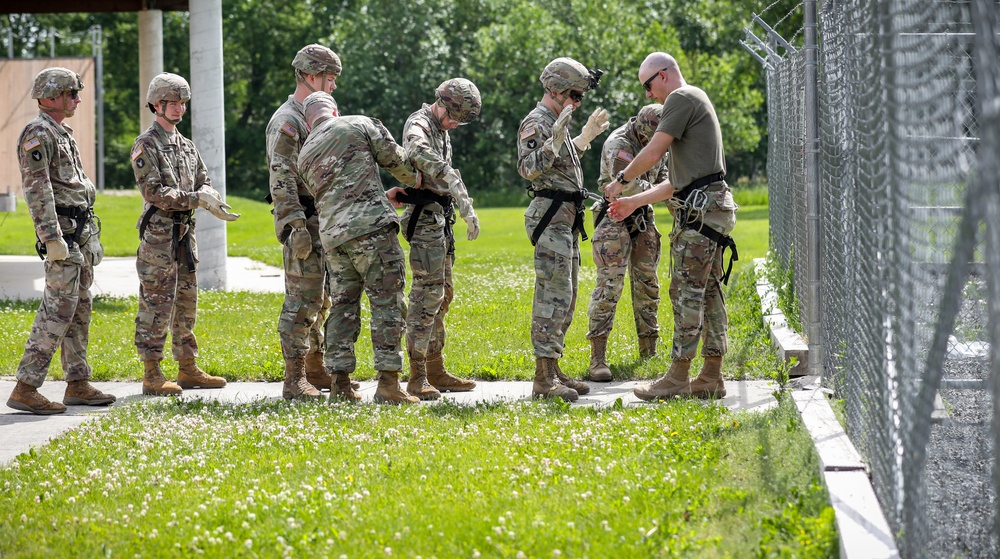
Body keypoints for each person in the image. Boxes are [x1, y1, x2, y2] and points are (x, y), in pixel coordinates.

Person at [606, 52, 739, 400]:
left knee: (686, 292)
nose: (648, 95)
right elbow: (678, 183)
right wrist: (632, 201)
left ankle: (679, 376)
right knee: (708, 292)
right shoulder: (694, 100)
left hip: (702, 213)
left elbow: (653, 151)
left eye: (648, 86)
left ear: (663, 75)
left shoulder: (681, 97)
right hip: (708, 207)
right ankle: (711, 375)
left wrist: (621, 180)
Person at [297, 92, 421, 404]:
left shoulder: (304, 154)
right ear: (334, 110)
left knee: (342, 306)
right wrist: (419, 180)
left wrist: (375, 192)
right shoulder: (357, 124)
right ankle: (389, 384)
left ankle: (340, 384)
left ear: (308, 121)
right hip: (371, 230)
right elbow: (399, 163)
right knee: (388, 303)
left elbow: (336, 190)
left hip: (335, 240)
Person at [5, 68, 116, 415]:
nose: (77, 100)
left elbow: (74, 187)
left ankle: (78, 382)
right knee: (58, 310)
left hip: (79, 234)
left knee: (80, 309)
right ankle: (26, 386)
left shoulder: (61, 131)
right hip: (63, 236)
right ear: (50, 97)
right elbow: (38, 190)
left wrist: (90, 237)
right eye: (71, 94)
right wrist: (51, 237)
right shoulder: (37, 133)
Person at [131, 72, 241, 397]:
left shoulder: (186, 145)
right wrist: (197, 199)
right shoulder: (145, 145)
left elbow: (203, 177)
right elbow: (154, 191)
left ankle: (187, 367)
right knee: (156, 304)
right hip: (159, 238)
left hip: (183, 238)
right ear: (157, 104)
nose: (179, 108)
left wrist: (209, 194)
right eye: (172, 103)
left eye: (182, 103)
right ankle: (152, 372)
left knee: (186, 302)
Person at [265, 44, 359, 400]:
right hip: (303, 220)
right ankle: (294, 379)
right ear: (308, 75)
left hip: (326, 219)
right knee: (301, 301)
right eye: (328, 78)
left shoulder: (317, 114)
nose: (333, 86)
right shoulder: (288, 122)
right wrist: (295, 228)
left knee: (323, 299)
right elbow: (281, 181)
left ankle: (315, 367)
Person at [517, 57, 610, 402]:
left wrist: (582, 138)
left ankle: (553, 367)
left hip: (567, 217)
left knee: (565, 298)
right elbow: (528, 168)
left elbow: (563, 168)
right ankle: (543, 379)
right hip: (550, 214)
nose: (577, 101)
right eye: (574, 93)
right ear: (555, 89)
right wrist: (552, 143)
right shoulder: (537, 122)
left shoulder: (559, 121)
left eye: (580, 95)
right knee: (551, 297)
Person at [398, 78, 482, 400]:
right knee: (425, 295)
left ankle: (435, 368)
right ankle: (417, 375)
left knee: (443, 294)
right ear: (441, 103)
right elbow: (417, 152)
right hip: (424, 220)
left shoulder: (442, 129)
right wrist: (453, 182)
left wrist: (459, 199)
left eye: (460, 121)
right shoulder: (419, 124)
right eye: (453, 117)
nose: (455, 125)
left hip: (439, 218)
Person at [586, 104, 668, 382]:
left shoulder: (660, 141)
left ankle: (649, 352)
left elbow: (666, 178)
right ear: (641, 128)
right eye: (649, 139)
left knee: (648, 284)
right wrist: (665, 190)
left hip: (643, 216)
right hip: (614, 217)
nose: (652, 144)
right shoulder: (620, 143)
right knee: (609, 286)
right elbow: (628, 185)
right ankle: (597, 357)